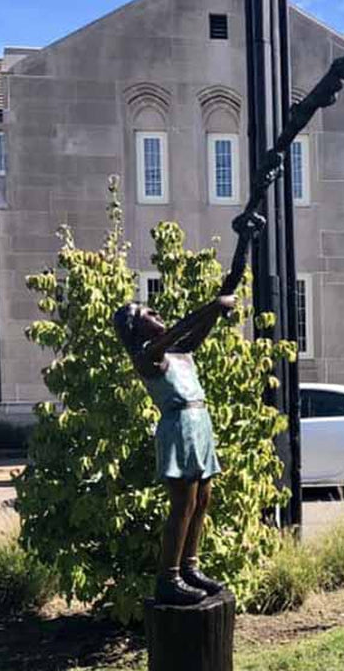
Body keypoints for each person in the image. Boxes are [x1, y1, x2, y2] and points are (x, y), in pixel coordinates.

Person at [112, 210, 265, 605]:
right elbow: (186, 324)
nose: (156, 315)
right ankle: (169, 577)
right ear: (135, 330)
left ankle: (191, 566)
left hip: (199, 423)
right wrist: (214, 305)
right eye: (148, 314)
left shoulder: (181, 352)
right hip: (178, 427)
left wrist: (243, 242)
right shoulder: (150, 356)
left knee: (202, 500)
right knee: (182, 502)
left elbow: (226, 288)